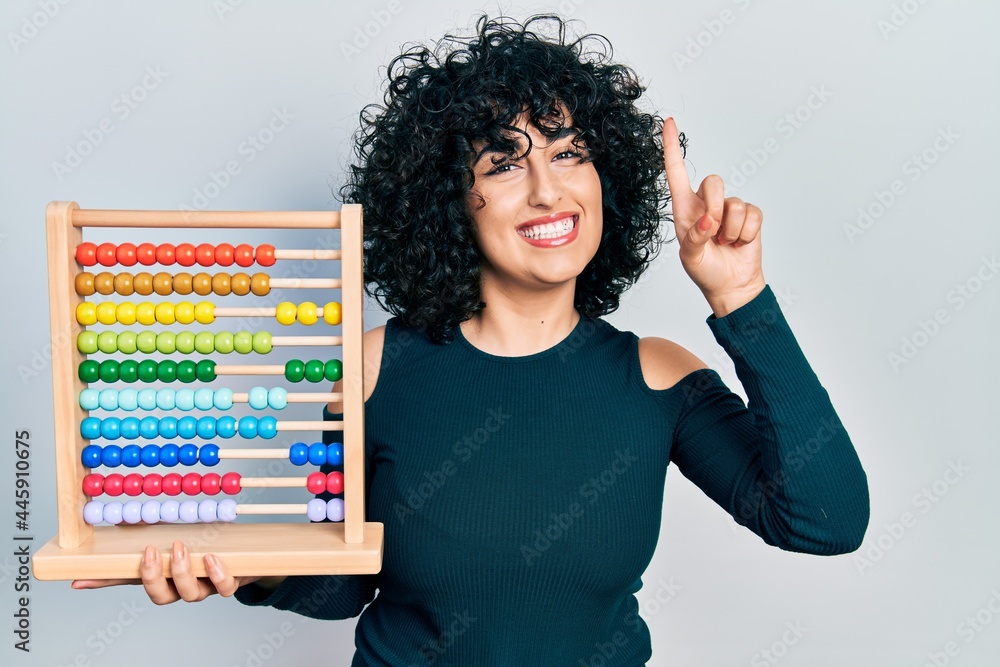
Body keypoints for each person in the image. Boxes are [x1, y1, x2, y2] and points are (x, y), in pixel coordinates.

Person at [73, 13, 870, 666]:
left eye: (569, 153)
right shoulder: (373, 368)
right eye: (503, 163)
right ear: (450, 199)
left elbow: (824, 518)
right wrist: (247, 571)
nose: (548, 189)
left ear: (606, 180)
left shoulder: (657, 377)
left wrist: (739, 296)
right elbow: (343, 584)